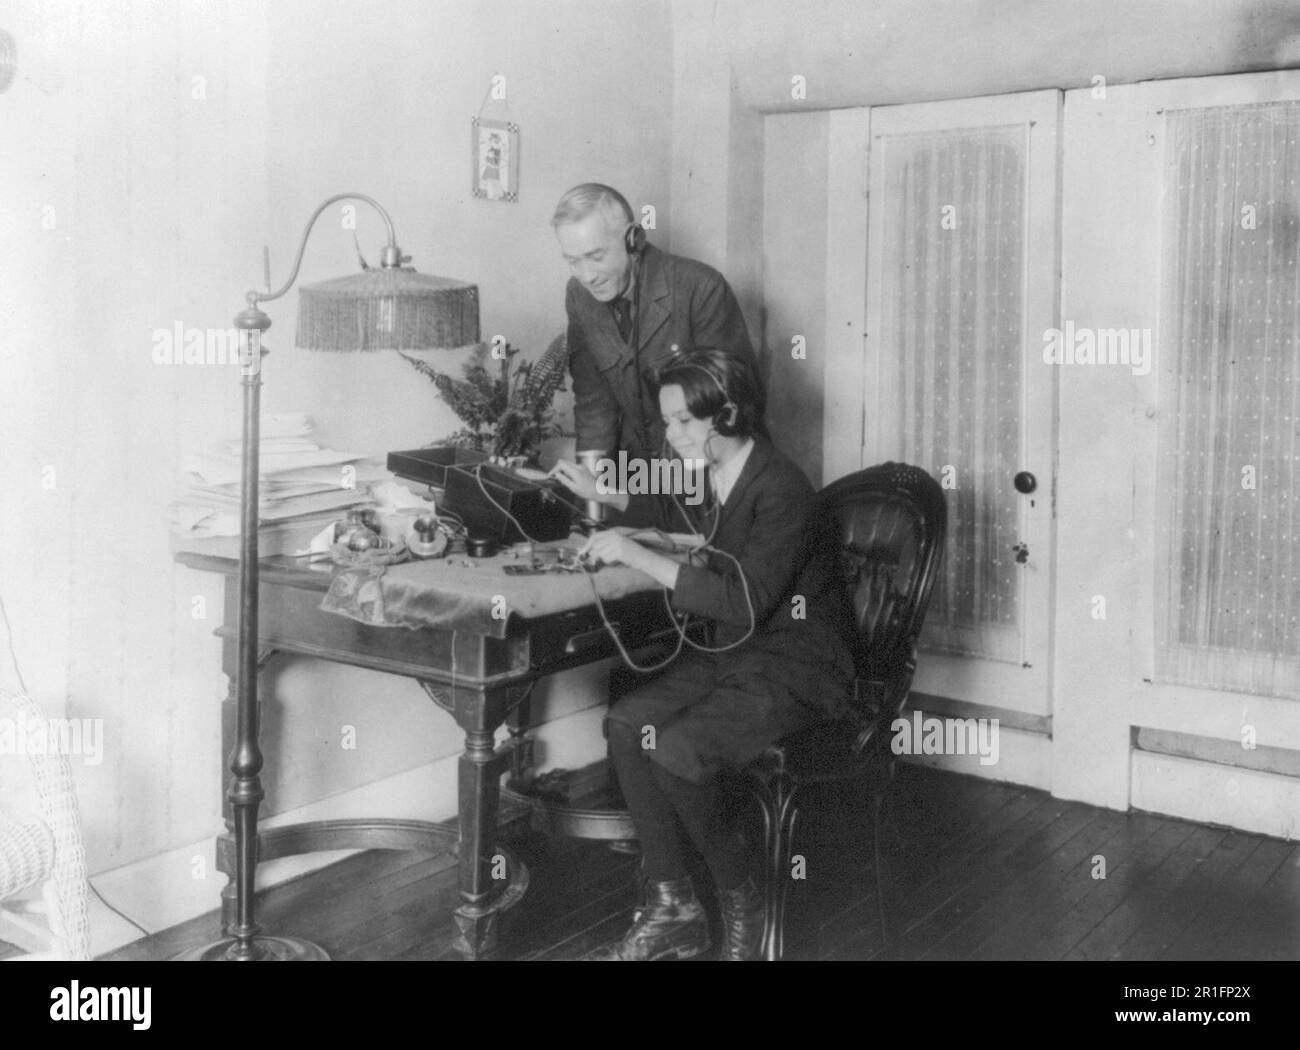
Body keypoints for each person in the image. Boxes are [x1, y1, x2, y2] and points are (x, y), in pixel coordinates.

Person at [549, 349, 859, 961]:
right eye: (667, 422)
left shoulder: (781, 487)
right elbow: (658, 504)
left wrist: (637, 555)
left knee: (675, 750)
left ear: (731, 415)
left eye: (685, 422)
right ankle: (674, 907)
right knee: (626, 723)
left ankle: (742, 895)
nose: (672, 436)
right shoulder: (704, 467)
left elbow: (743, 602)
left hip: (796, 664)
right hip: (735, 653)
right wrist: (603, 495)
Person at [551, 183, 760, 476]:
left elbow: (731, 410)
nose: (587, 276)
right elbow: (592, 401)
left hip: (707, 470)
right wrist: (592, 496)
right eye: (573, 261)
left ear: (632, 239)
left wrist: (671, 500)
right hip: (639, 473)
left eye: (597, 257)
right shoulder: (578, 295)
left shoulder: (701, 287)